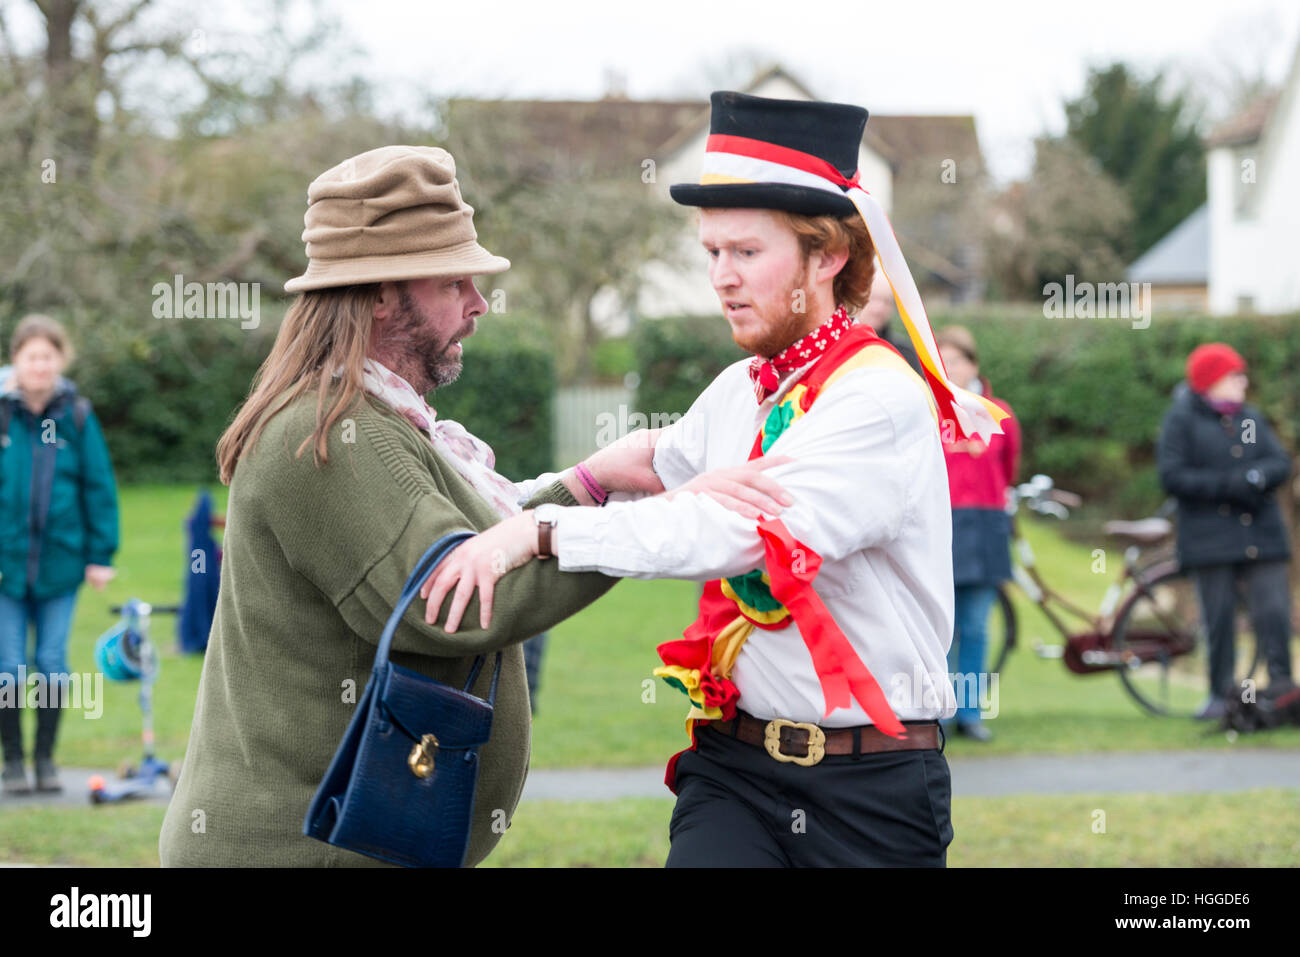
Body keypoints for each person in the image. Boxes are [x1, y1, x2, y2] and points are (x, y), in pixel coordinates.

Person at [421, 92, 1010, 867]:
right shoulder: (740, 388)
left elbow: (732, 530)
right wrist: (547, 493)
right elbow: (640, 486)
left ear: (827, 255)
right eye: (712, 253)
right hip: (734, 772)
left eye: (746, 252)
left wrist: (536, 532)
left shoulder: (877, 398)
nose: (721, 278)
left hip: (872, 788)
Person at [157, 145, 785, 867]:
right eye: (455, 282)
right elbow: (455, 597)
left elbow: (486, 541)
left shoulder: (371, 418)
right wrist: (653, 522)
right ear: (382, 294)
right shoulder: (329, 435)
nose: (479, 303)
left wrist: (591, 480)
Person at [0, 315, 119, 794]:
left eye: (48, 357)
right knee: (8, 666)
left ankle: (46, 760)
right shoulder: (3, 416)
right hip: (5, 567)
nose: (40, 365)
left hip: (60, 563)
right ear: (16, 361)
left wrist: (100, 554)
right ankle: (13, 763)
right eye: (32, 357)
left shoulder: (77, 417)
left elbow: (98, 485)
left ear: (59, 361)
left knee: (50, 661)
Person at [1156, 342, 1295, 720]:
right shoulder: (1183, 420)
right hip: (1210, 538)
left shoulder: (1248, 420)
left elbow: (1275, 463)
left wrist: (1255, 476)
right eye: (1234, 376)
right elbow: (1174, 476)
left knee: (1273, 612)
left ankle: (1283, 694)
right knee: (1218, 619)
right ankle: (1221, 695)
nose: (1243, 382)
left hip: (1259, 536)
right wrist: (1231, 484)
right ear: (1212, 380)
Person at [934, 325, 1020, 742]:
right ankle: (939, 711)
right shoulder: (929, 410)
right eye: (941, 360)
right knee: (941, 629)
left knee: (976, 625)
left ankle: (970, 713)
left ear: (973, 364)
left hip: (985, 526)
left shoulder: (997, 411)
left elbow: (1008, 470)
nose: (947, 367)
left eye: (954, 360)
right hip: (942, 527)